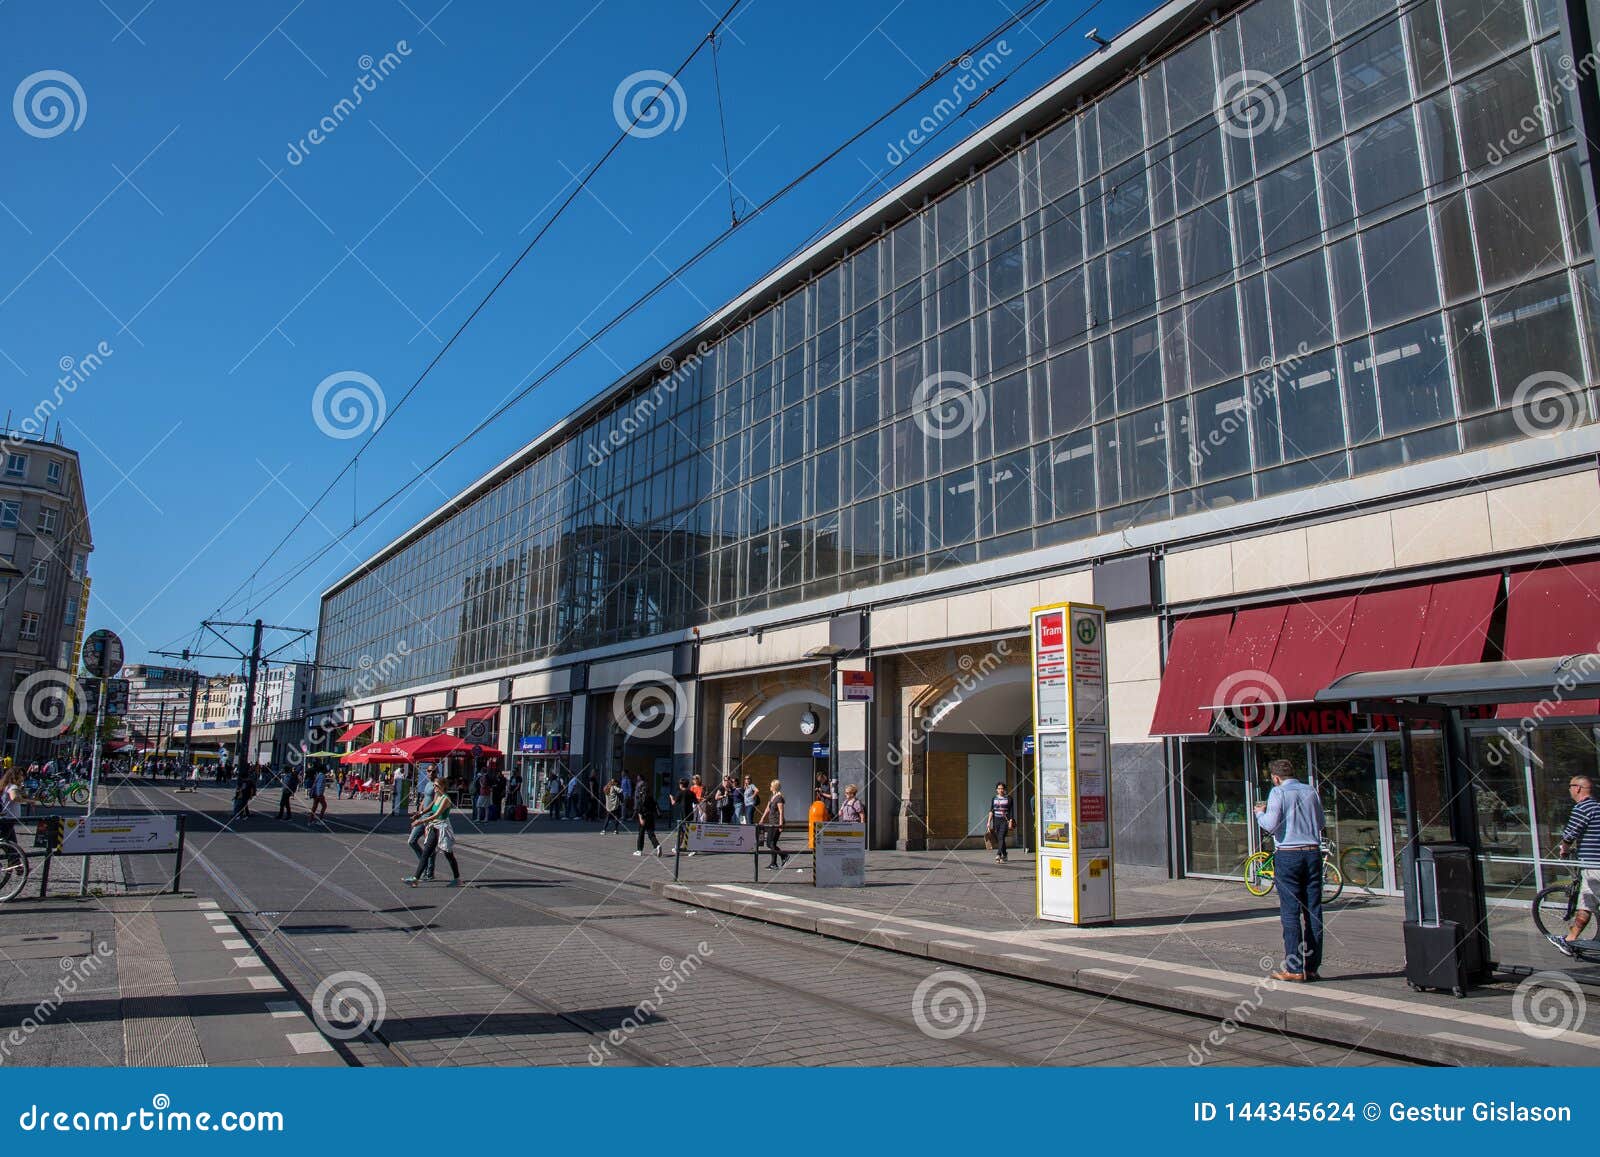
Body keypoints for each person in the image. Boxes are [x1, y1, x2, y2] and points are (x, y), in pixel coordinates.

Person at [1253, 758, 1327, 982]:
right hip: (1313, 853)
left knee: (1290, 911)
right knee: (1313, 911)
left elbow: (1271, 824)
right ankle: (1312, 968)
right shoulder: (1310, 790)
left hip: (1288, 854)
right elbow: (1322, 822)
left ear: (1276, 778)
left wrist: (1259, 813)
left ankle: (1294, 968)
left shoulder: (1278, 793)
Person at [1550, 775, 1600, 955]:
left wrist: (1564, 848)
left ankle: (1570, 941)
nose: (1569, 790)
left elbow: (1571, 832)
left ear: (1577, 788)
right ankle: (1573, 939)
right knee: (1589, 901)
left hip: (1594, 866)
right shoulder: (1597, 806)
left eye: (1570, 786)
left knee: (1586, 903)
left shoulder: (1582, 808)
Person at [759, 778, 788, 870]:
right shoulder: (772, 796)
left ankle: (780, 859)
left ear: (775, 787)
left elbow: (781, 811)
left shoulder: (779, 798)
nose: (770, 787)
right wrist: (762, 818)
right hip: (771, 823)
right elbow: (768, 808)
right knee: (770, 843)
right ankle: (779, 860)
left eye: (771, 785)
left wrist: (780, 825)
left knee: (770, 843)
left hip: (776, 823)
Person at [633, 781, 662, 856]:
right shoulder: (651, 798)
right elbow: (655, 808)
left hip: (643, 817)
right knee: (651, 834)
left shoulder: (640, 799)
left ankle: (639, 850)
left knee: (641, 834)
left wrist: (641, 819)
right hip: (651, 817)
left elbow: (639, 810)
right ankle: (657, 846)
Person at [988, 782, 1014, 863]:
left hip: (1005, 820)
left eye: (1002, 788)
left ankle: (998, 854)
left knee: (1001, 837)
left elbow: (1011, 811)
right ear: (996, 790)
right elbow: (991, 810)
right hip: (996, 820)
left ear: (1005, 789)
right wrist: (988, 822)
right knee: (1000, 838)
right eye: (999, 788)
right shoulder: (994, 798)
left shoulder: (1009, 798)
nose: (1000, 790)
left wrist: (1010, 820)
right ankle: (1005, 854)